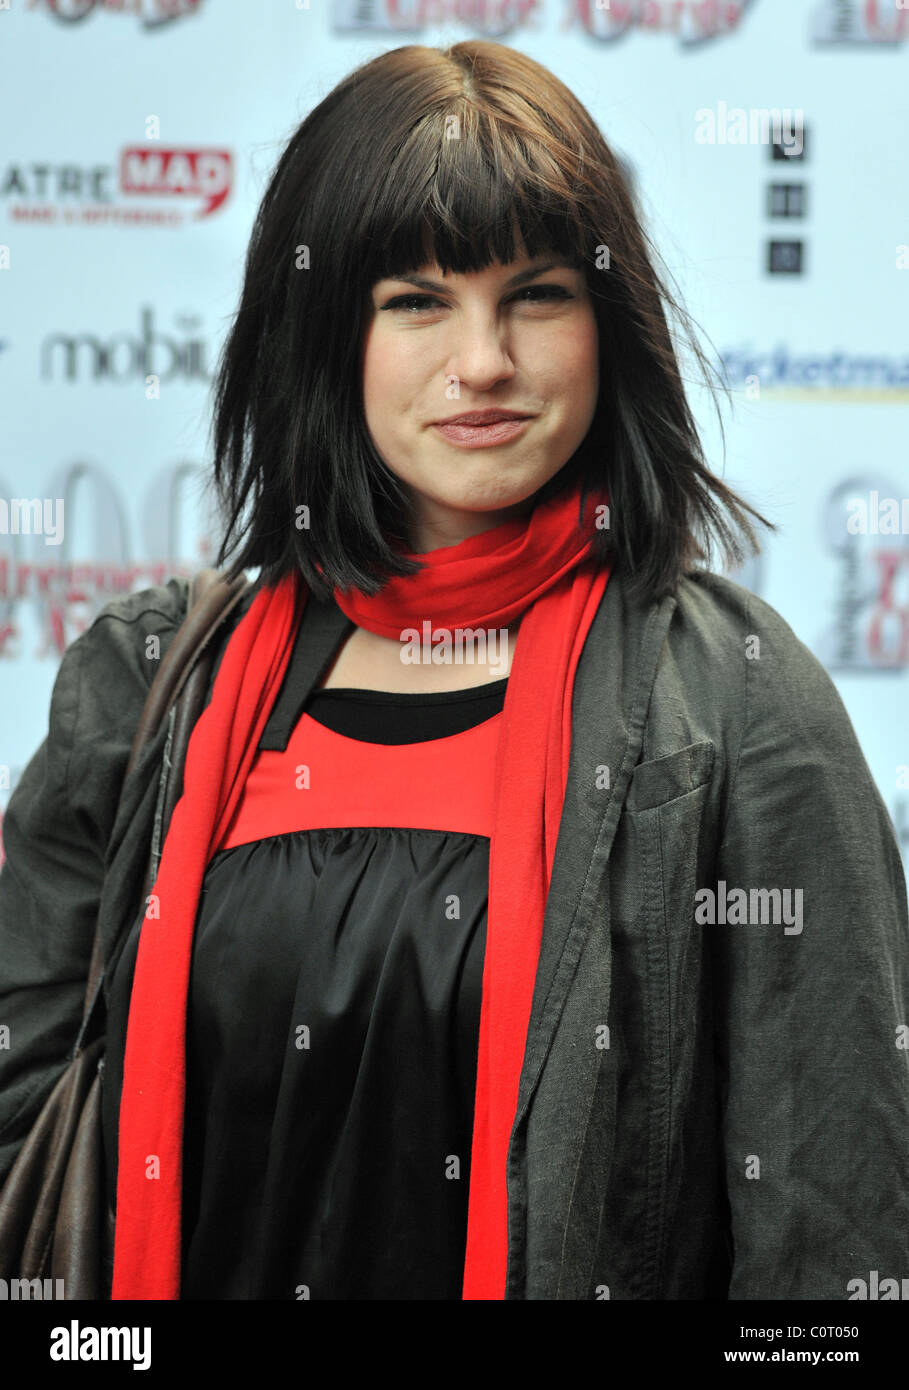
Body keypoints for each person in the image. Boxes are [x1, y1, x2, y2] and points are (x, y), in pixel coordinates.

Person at [1, 40, 907, 1302]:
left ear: (610, 324)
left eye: (536, 294)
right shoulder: (150, 683)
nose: (483, 360)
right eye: (416, 301)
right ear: (326, 337)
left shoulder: (739, 702)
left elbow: (832, 1228)